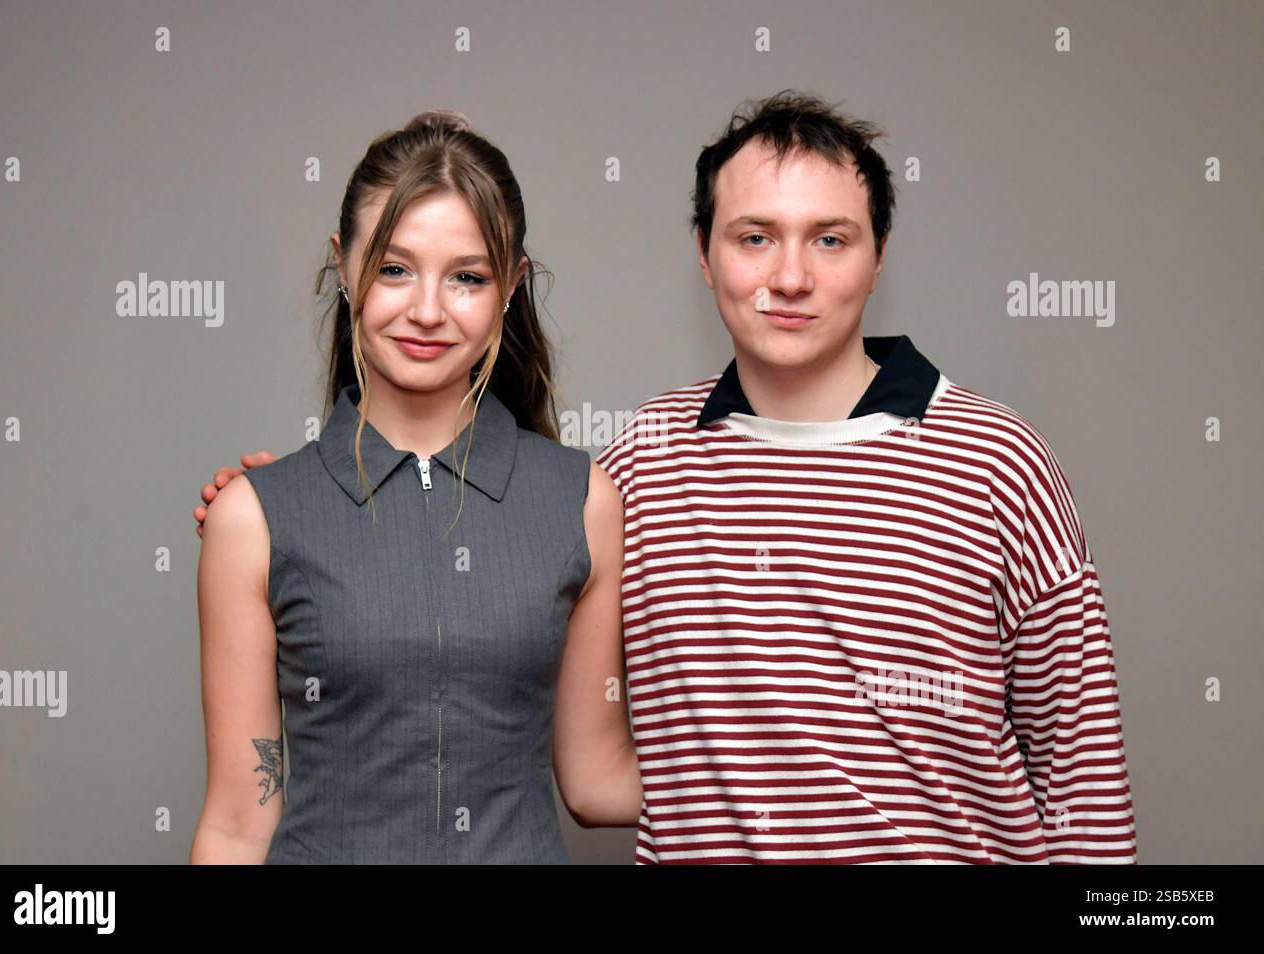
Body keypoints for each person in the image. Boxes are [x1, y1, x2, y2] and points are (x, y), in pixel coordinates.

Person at [593, 90, 1136, 863]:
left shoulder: (1001, 464)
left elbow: (1085, 791)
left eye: (830, 240)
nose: (789, 277)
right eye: (755, 237)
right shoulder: (640, 463)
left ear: (879, 257)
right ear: (703, 253)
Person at [190, 110, 640, 864]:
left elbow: (596, 783)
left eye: (468, 277)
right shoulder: (255, 516)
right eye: (394, 269)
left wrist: (812, 773)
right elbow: (237, 821)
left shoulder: (583, 500)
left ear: (512, 285)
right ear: (343, 264)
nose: (427, 310)